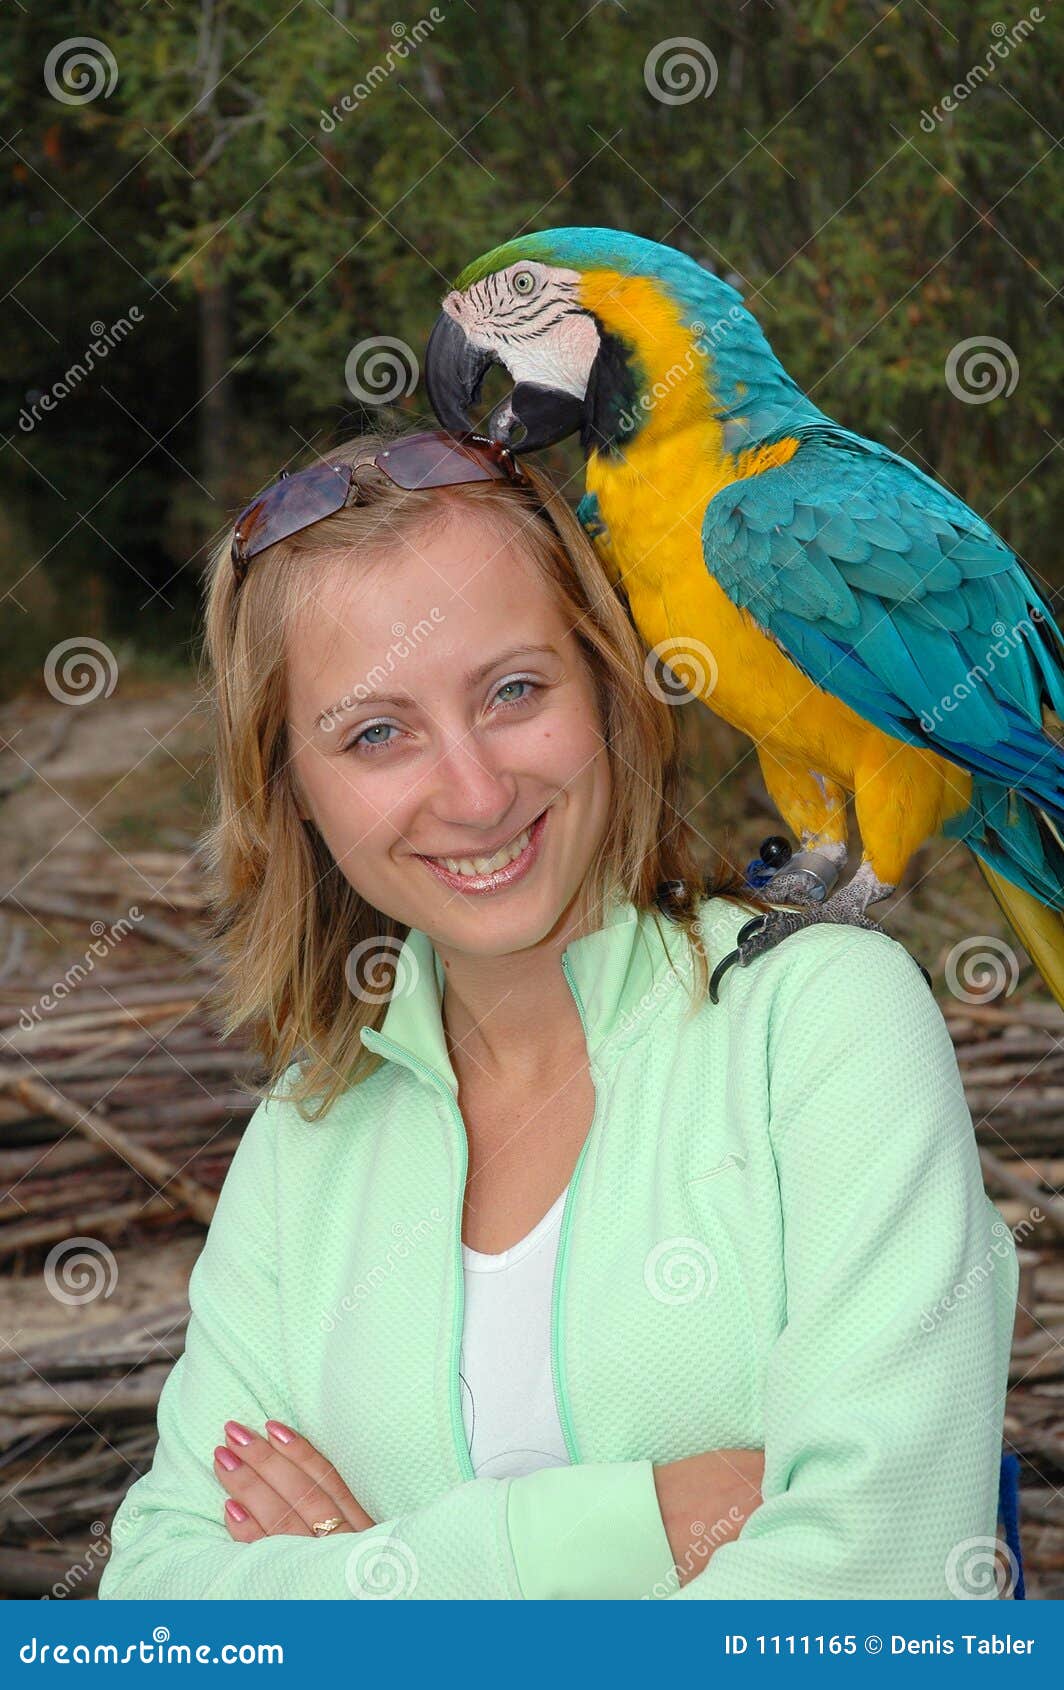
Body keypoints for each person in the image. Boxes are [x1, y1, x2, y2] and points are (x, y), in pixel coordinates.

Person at [98, 428, 1018, 1601]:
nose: (476, 794)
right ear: (290, 790)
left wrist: (363, 1576)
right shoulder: (306, 1135)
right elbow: (158, 1609)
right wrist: (628, 1528)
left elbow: (881, 1589)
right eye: (375, 733)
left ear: (611, 687)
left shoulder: (822, 1026)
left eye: (514, 691)